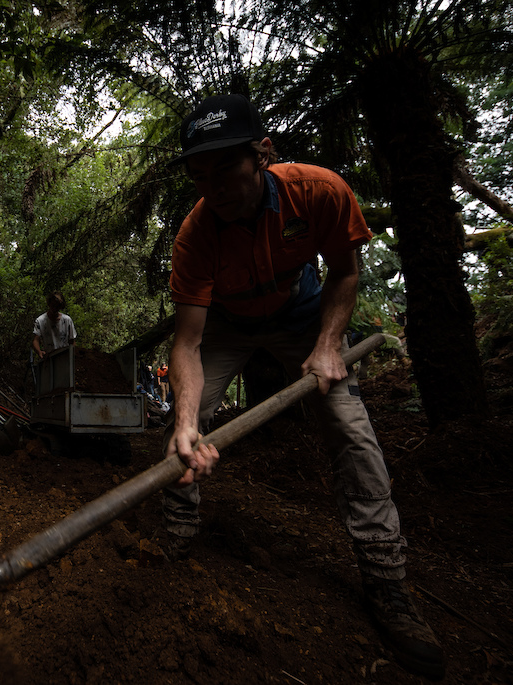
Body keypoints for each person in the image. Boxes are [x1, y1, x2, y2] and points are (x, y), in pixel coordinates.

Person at [158, 93, 444, 679]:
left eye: (227, 168)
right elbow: (186, 343)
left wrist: (327, 344)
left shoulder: (318, 191)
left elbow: (345, 271)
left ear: (262, 154)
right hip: (229, 327)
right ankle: (174, 527)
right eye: (200, 174)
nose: (215, 186)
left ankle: (387, 580)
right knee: (181, 427)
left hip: (301, 318)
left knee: (351, 430)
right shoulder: (195, 235)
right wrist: (187, 421)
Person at [32, 291, 77, 359]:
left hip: (65, 357)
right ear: (49, 304)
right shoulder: (40, 321)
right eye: (53, 305)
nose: (55, 308)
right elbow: (36, 340)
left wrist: (73, 356)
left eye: (57, 306)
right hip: (49, 357)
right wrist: (39, 352)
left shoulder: (67, 320)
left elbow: (72, 341)